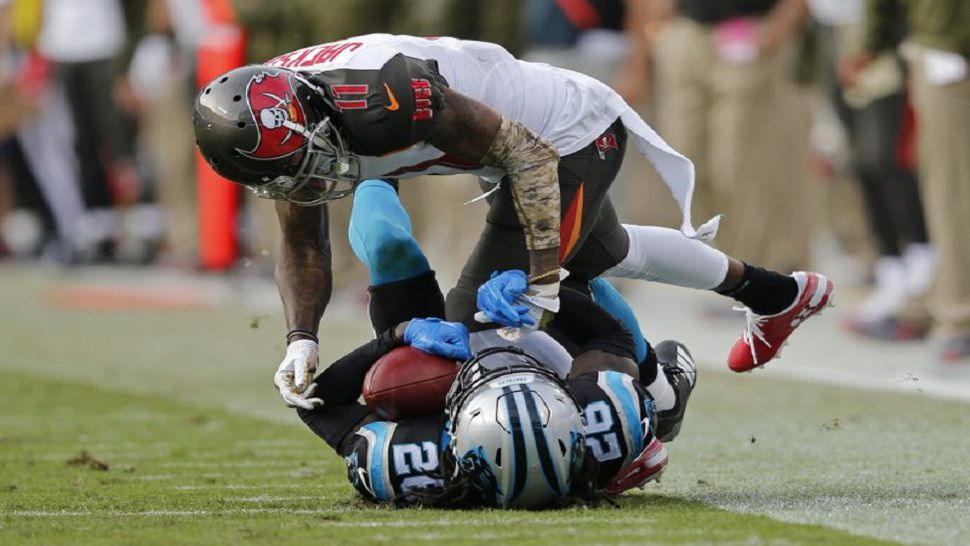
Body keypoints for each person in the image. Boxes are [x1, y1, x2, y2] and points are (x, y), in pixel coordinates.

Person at [192, 34, 833, 408]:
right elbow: (301, 244)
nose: (309, 179)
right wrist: (301, 337)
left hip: (563, 135)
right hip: (506, 146)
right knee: (602, 250)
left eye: (308, 160)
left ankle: (653, 405)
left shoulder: (386, 96)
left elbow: (525, 155)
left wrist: (543, 276)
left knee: (475, 335)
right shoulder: (279, 128)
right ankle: (779, 295)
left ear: (312, 112)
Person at [296, 280, 695, 506]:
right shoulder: (608, 417)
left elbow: (316, 404)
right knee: (576, 281)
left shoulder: (409, 462)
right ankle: (664, 394)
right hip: (603, 446)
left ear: (452, 435)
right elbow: (610, 335)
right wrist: (540, 288)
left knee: (475, 291)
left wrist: (398, 333)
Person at [844, 1, 970, 362]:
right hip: (947, 50)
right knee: (952, 191)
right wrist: (870, 40)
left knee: (951, 190)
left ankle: (953, 312)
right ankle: (956, 314)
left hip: (946, 46)